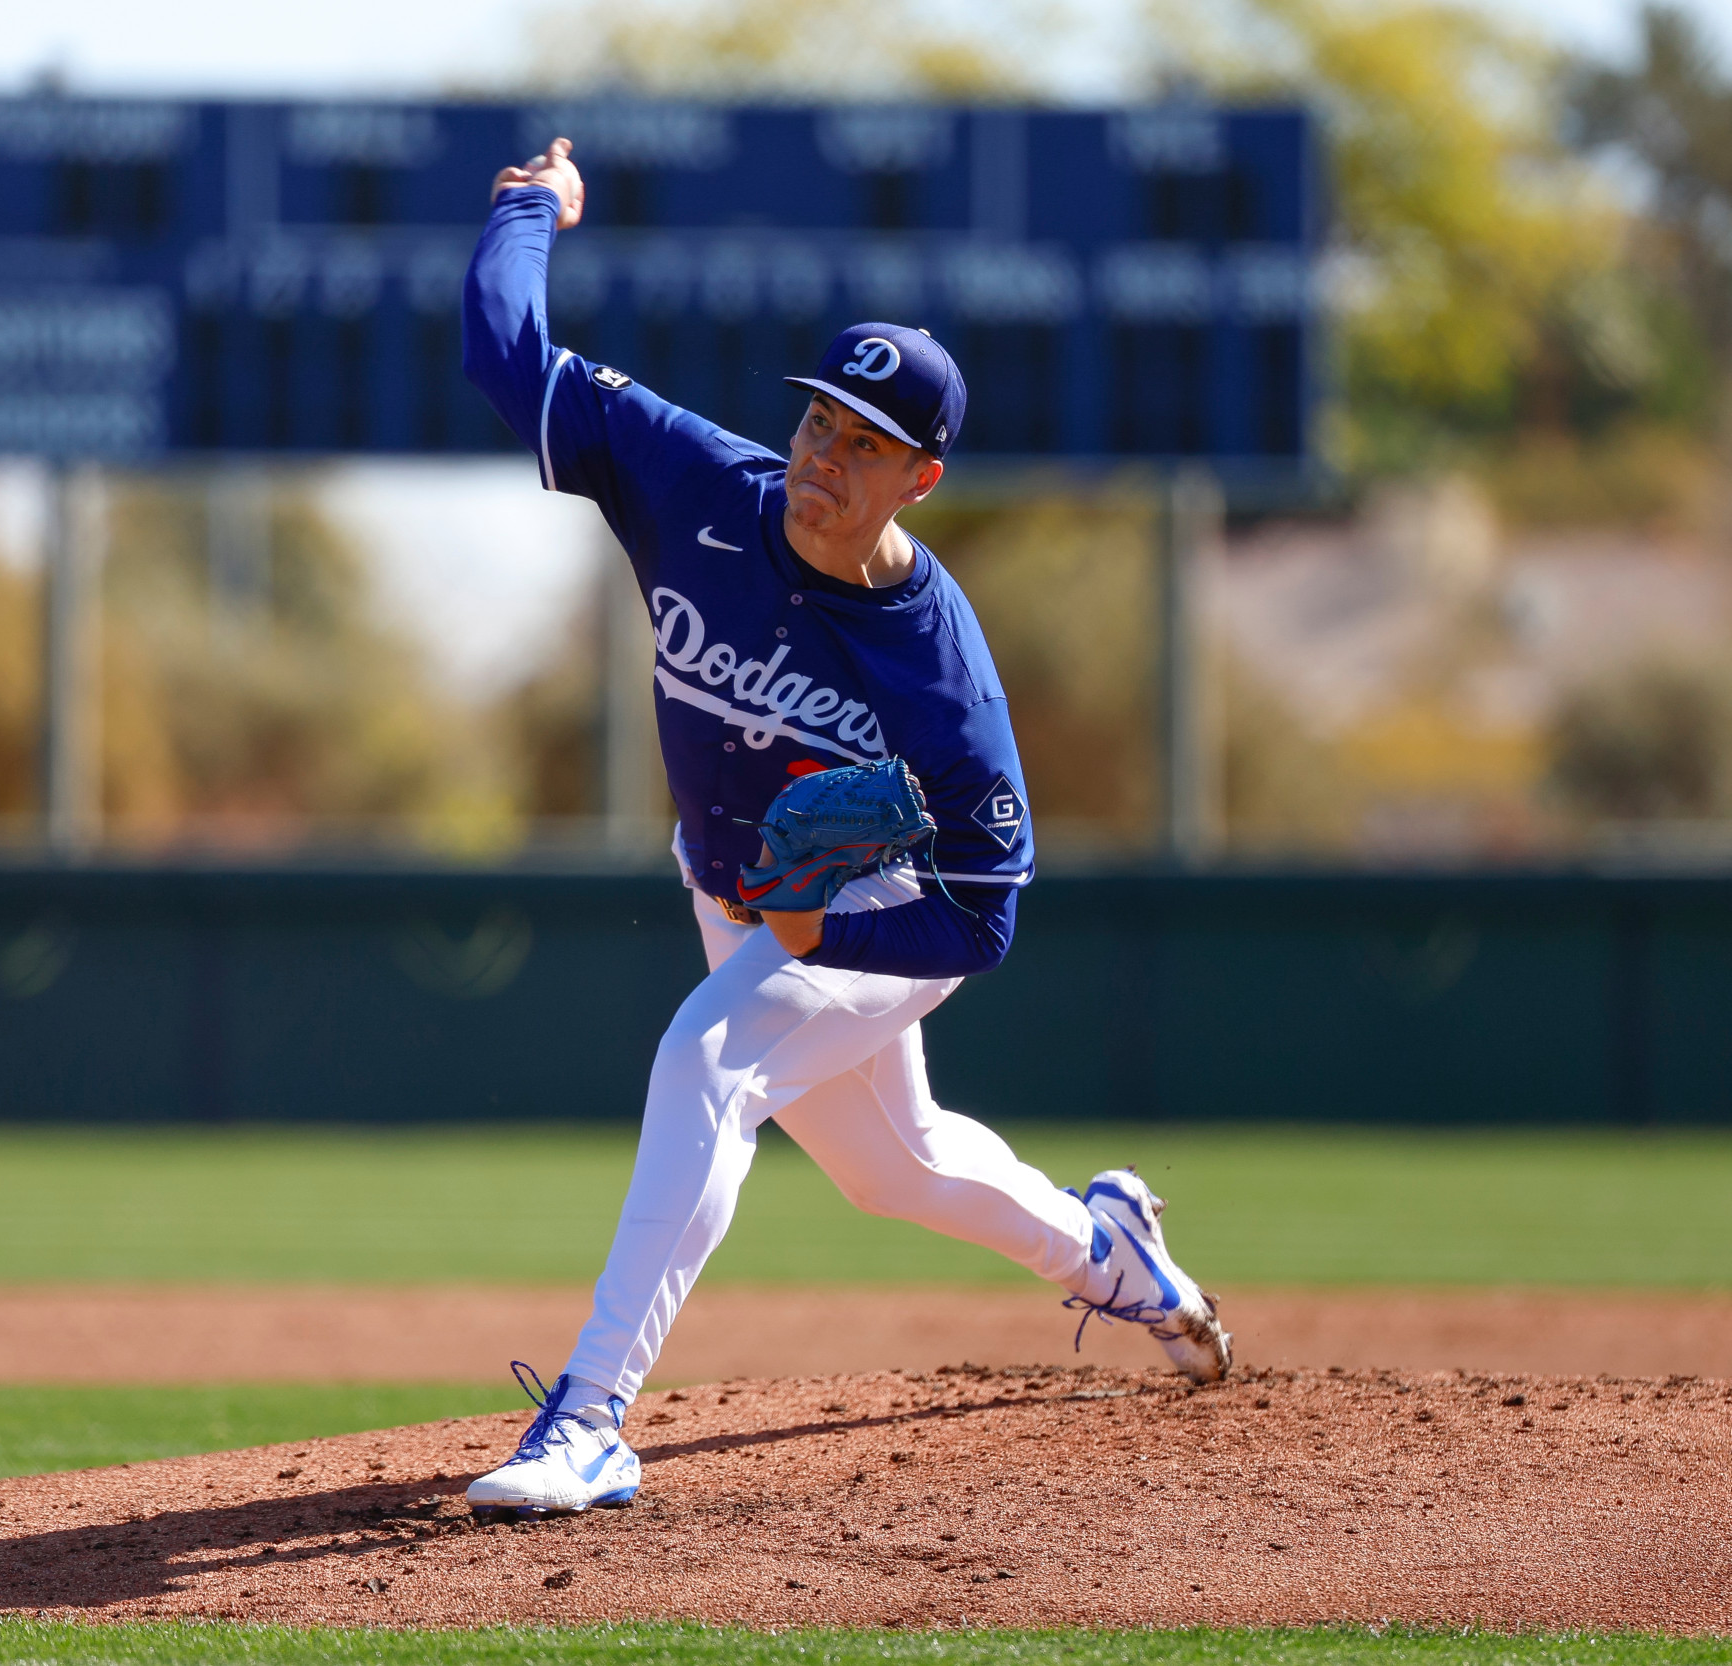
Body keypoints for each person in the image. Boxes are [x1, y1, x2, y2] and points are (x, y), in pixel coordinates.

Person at [459, 137, 1230, 1520]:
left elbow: (987, 904)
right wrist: (530, 207)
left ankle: (589, 1418)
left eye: (865, 446)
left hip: (885, 907)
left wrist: (825, 918)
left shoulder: (940, 671)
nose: (825, 457)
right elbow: (509, 357)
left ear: (918, 480)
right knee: (900, 1171)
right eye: (820, 421)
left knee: (706, 1058)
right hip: (733, 886)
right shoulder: (698, 484)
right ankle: (1115, 1257)